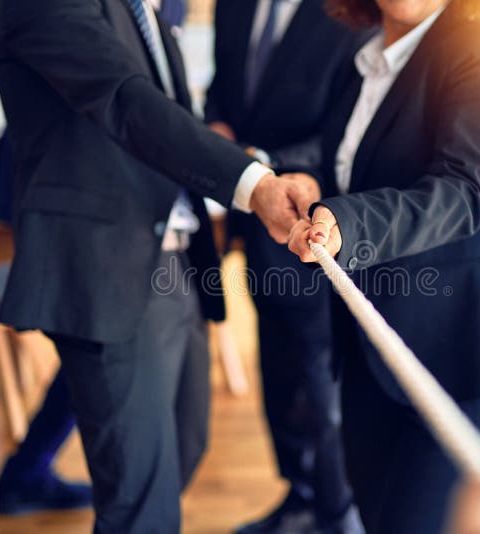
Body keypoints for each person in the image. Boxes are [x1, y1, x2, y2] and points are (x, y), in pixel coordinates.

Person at [0, 0, 319, 531]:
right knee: (140, 503)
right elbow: (126, 101)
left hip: (179, 263)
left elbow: (168, 117)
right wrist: (254, 183)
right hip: (107, 271)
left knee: (185, 448)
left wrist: (228, 148)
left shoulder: (142, 9)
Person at [288, 0, 480, 531]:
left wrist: (349, 223)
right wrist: (291, 178)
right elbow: (339, 160)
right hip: (374, 355)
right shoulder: (359, 63)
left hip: (468, 359)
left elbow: (461, 193)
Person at [204, 2, 362, 532]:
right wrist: (215, 127)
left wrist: (257, 162)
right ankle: (297, 495)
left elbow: (347, 129)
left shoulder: (351, 11)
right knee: (275, 364)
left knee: (318, 378)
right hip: (254, 224)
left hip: (313, 220)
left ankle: (336, 511)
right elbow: (222, 88)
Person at [0, 131, 92, 515]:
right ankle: (26, 473)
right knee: (89, 351)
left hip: (50, 177)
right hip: (53, 181)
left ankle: (28, 471)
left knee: (87, 353)